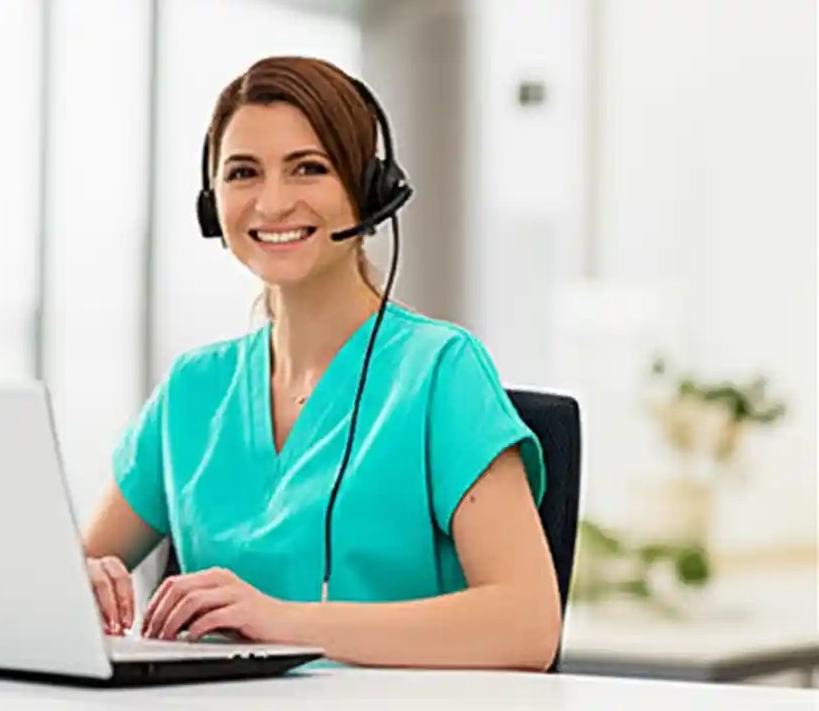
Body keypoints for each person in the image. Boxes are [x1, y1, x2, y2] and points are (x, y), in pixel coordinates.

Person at [80, 56, 561, 671]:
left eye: (309, 168)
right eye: (243, 173)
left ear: (369, 189)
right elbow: (65, 573)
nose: (273, 202)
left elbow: (526, 624)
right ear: (212, 203)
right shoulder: (192, 391)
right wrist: (81, 580)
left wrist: (280, 621)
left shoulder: (441, 371)